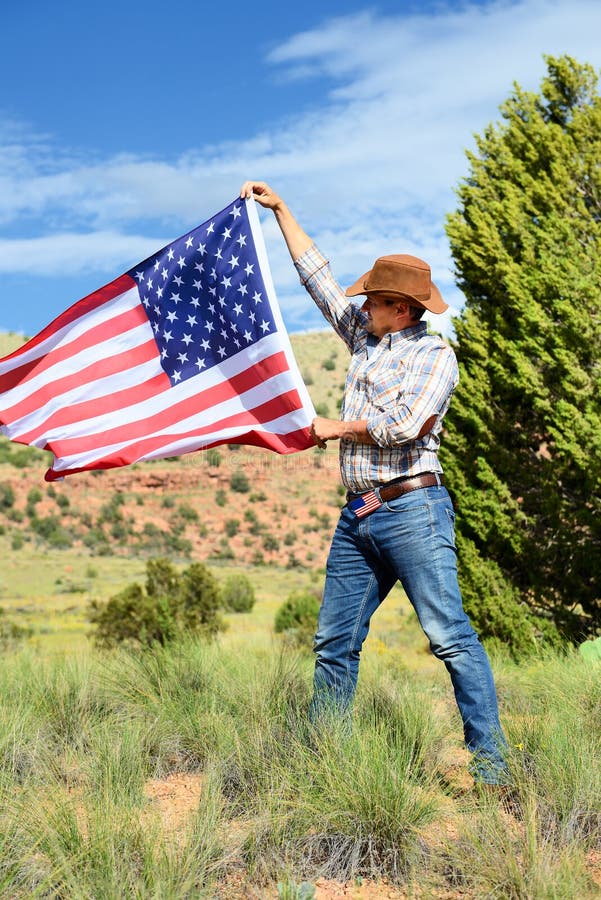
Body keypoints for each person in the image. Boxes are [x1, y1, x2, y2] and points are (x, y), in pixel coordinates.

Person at [240, 181, 509, 787]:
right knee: (334, 641)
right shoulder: (365, 337)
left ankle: (493, 770)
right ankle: (325, 766)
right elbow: (318, 279)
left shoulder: (435, 356)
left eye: (374, 303)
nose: (361, 308)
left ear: (403, 310)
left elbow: (405, 427)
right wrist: (282, 209)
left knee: (449, 638)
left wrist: (333, 427)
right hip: (358, 514)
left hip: (413, 510)